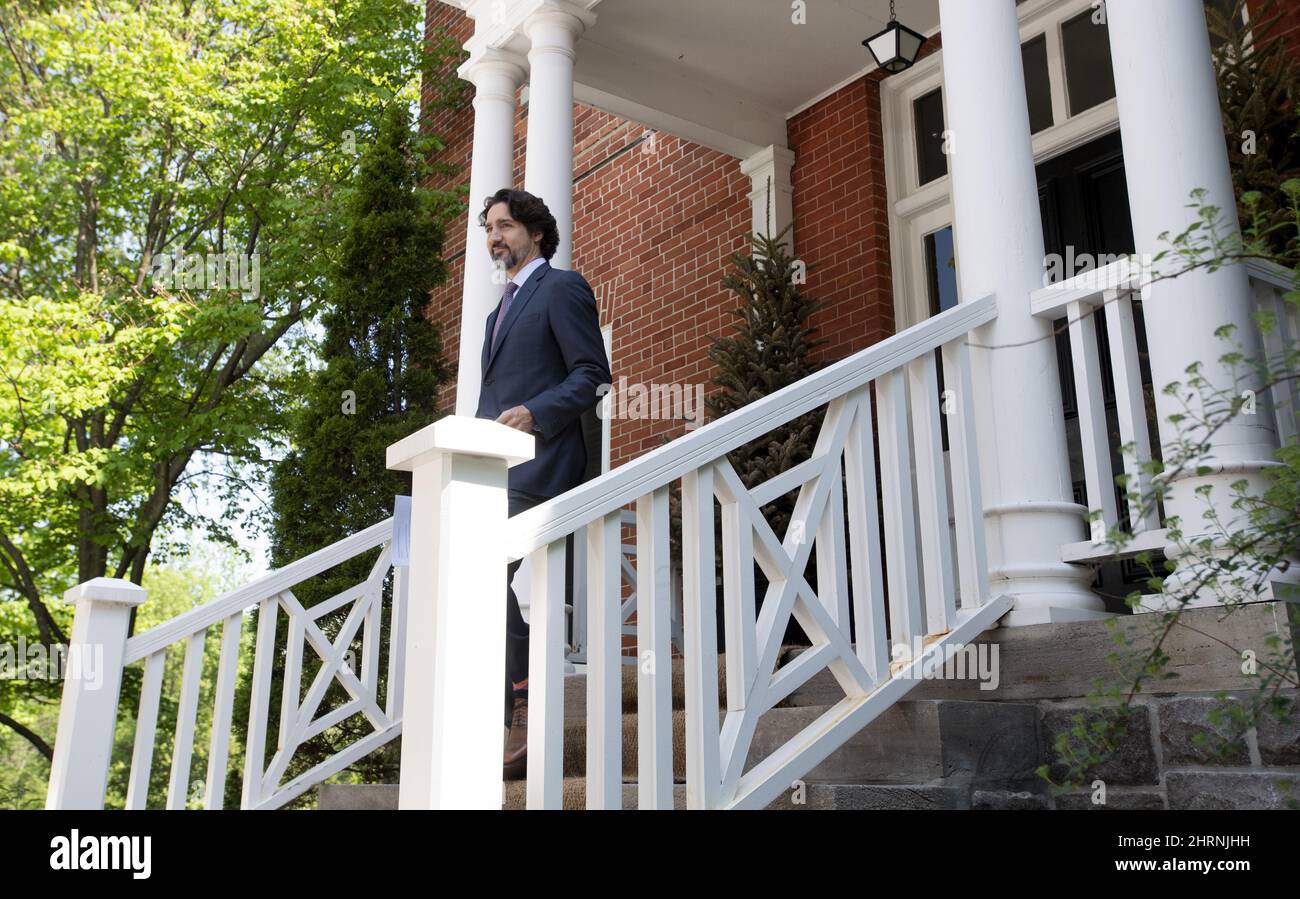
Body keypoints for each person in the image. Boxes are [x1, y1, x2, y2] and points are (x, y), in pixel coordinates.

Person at [475, 188, 610, 779]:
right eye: (488, 229)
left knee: (479, 573)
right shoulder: (494, 312)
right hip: (491, 469)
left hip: (543, 461)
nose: (493, 237)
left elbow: (591, 375)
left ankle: (522, 700)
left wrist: (535, 413)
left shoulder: (562, 288)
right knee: (471, 580)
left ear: (535, 231)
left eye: (503, 225)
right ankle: (514, 696)